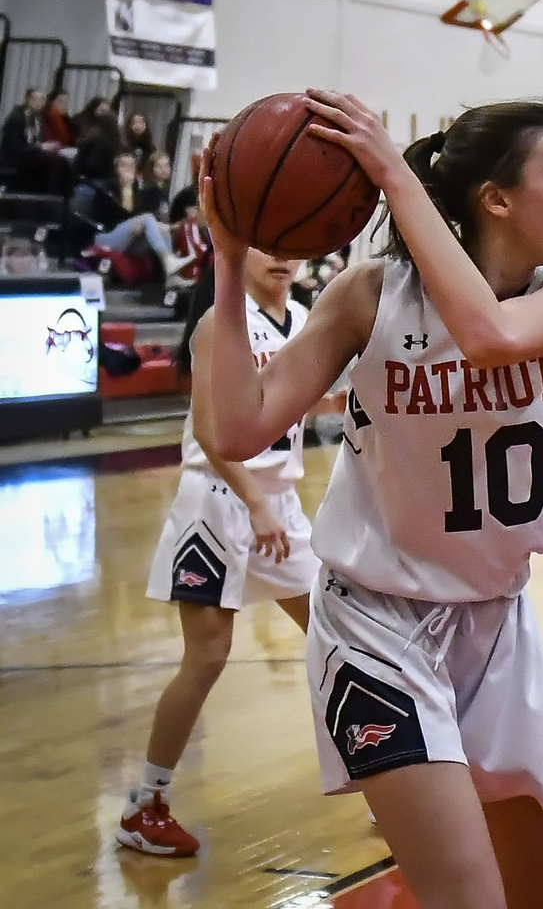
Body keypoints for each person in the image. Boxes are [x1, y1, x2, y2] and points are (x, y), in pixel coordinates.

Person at [198, 91, 543, 909]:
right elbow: (240, 428)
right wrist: (226, 257)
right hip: (375, 627)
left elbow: (488, 331)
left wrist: (395, 177)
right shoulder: (369, 296)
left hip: (497, 626)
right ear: (495, 198)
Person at [116, 253, 337, 856]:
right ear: (240, 249)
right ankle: (145, 805)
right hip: (217, 502)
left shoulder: (303, 316)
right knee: (208, 656)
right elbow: (214, 432)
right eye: (271, 245)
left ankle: (383, 776)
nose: (285, 259)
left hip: (279, 504)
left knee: (340, 639)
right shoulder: (221, 321)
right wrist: (254, 504)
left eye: (294, 246)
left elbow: (295, 403)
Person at [73, 152, 191, 280]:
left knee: (161, 231)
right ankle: (168, 260)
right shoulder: (106, 189)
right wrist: (126, 189)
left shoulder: (138, 192)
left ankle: (171, 273)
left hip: (130, 237)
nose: (128, 169)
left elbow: (139, 217)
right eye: (124, 166)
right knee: (147, 218)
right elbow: (112, 218)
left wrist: (138, 222)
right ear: (117, 169)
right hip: (106, 235)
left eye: (132, 166)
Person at [137, 152, 174, 222]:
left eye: (166, 165)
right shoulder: (147, 192)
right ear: (152, 169)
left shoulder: (165, 191)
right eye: (159, 166)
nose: (164, 169)